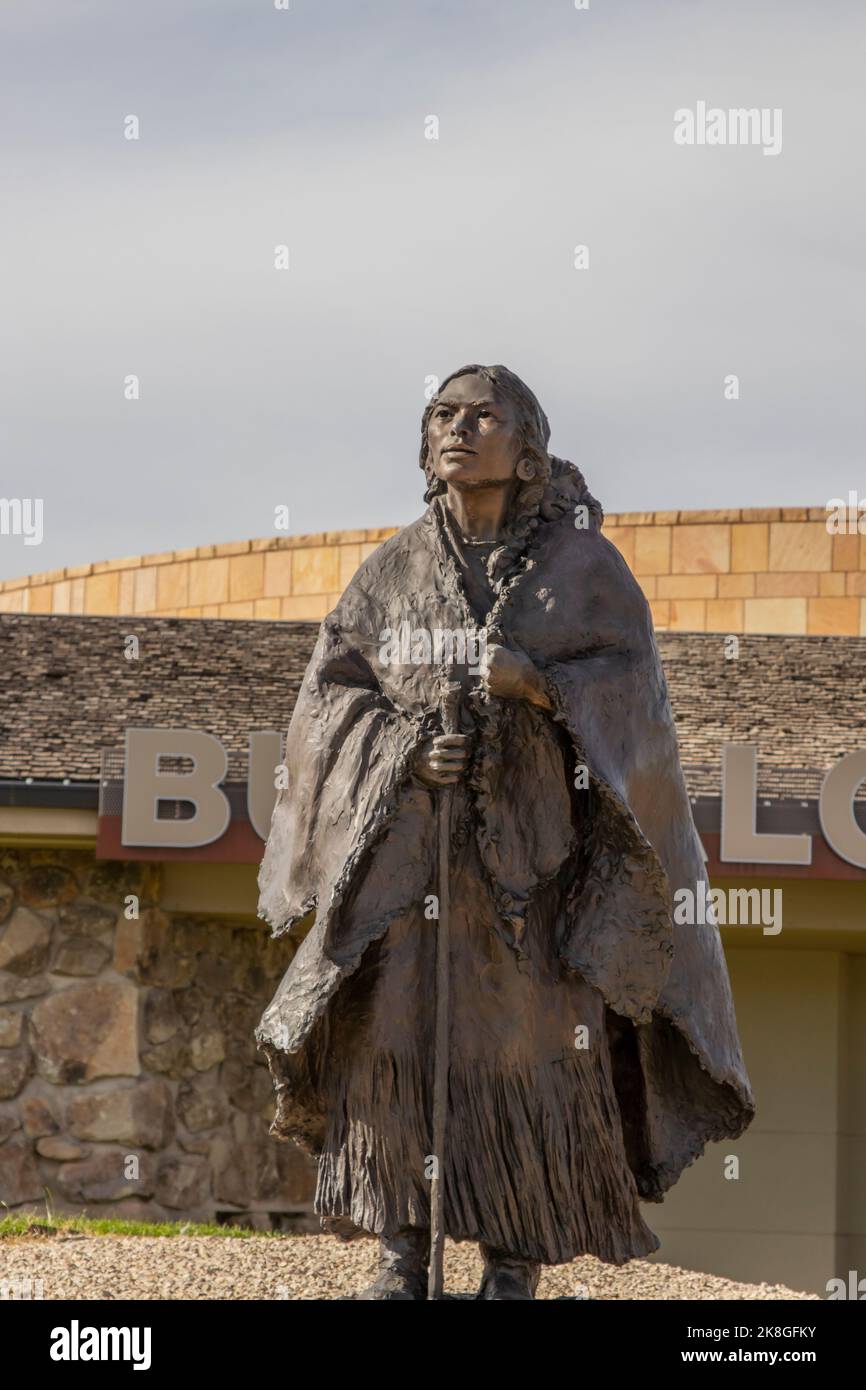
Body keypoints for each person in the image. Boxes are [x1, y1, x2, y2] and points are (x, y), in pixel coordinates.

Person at [255, 364, 755, 1300]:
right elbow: (330, 699)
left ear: (528, 451)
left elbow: (633, 698)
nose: (458, 428)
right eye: (443, 415)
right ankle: (402, 1250)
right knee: (394, 1044)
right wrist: (405, 751)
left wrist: (538, 685)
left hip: (541, 876)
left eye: (483, 416)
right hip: (414, 868)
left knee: (532, 1057)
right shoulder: (393, 568)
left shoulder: (583, 567)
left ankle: (514, 1260)